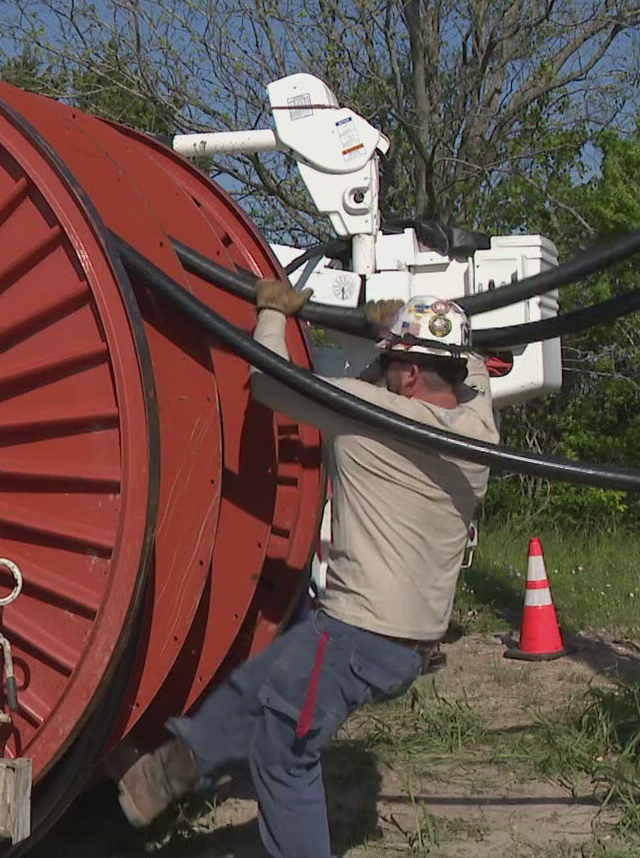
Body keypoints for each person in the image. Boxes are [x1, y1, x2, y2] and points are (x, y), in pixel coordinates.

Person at [117, 283, 499, 856]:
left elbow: (268, 380)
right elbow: (474, 369)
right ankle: (162, 776)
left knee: (284, 752)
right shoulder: (481, 428)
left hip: (356, 635)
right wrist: (393, 328)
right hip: (408, 643)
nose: (381, 372)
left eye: (389, 364)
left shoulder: (367, 411)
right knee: (263, 682)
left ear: (411, 376)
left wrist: (271, 312)